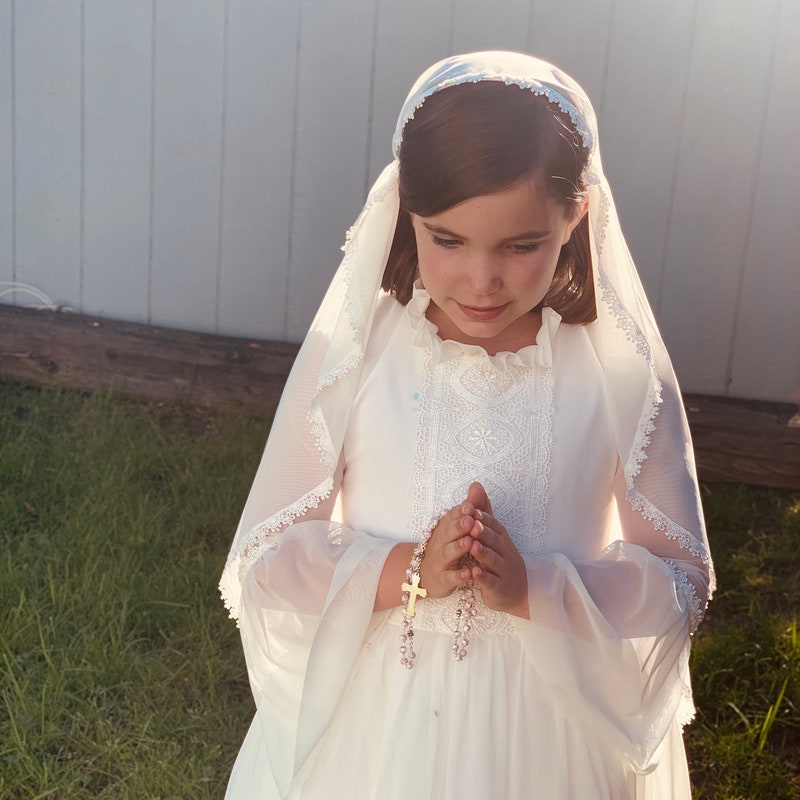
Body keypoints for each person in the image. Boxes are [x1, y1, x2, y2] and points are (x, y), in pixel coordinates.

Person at [220, 51, 714, 799]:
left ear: (574, 219)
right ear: (403, 215)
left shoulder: (617, 373)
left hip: (549, 736)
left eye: (521, 246)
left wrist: (535, 589)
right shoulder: (356, 355)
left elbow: (679, 581)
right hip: (381, 733)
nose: (482, 279)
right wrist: (406, 570)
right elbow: (267, 556)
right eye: (447, 241)